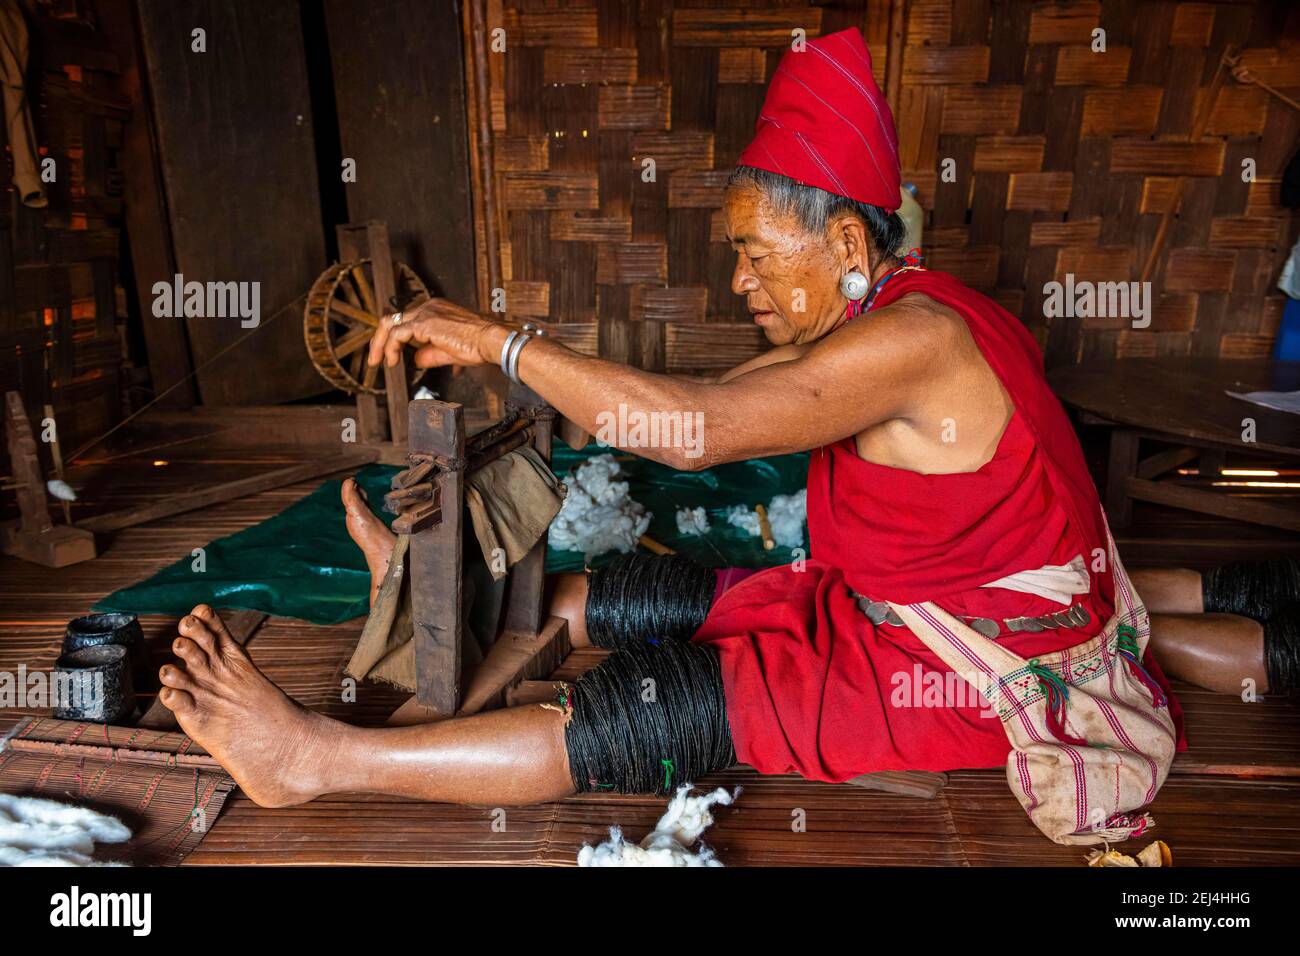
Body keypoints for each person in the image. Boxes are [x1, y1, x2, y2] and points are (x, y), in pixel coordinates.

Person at [155, 28, 1297, 814]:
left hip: (943, 658)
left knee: (664, 706)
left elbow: (691, 429)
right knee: (676, 595)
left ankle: (314, 759)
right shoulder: (897, 312)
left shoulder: (917, 340)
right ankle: (424, 594)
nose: (743, 281)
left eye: (756, 253)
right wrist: (434, 555)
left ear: (846, 246)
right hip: (880, 602)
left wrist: (497, 341)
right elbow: (706, 403)